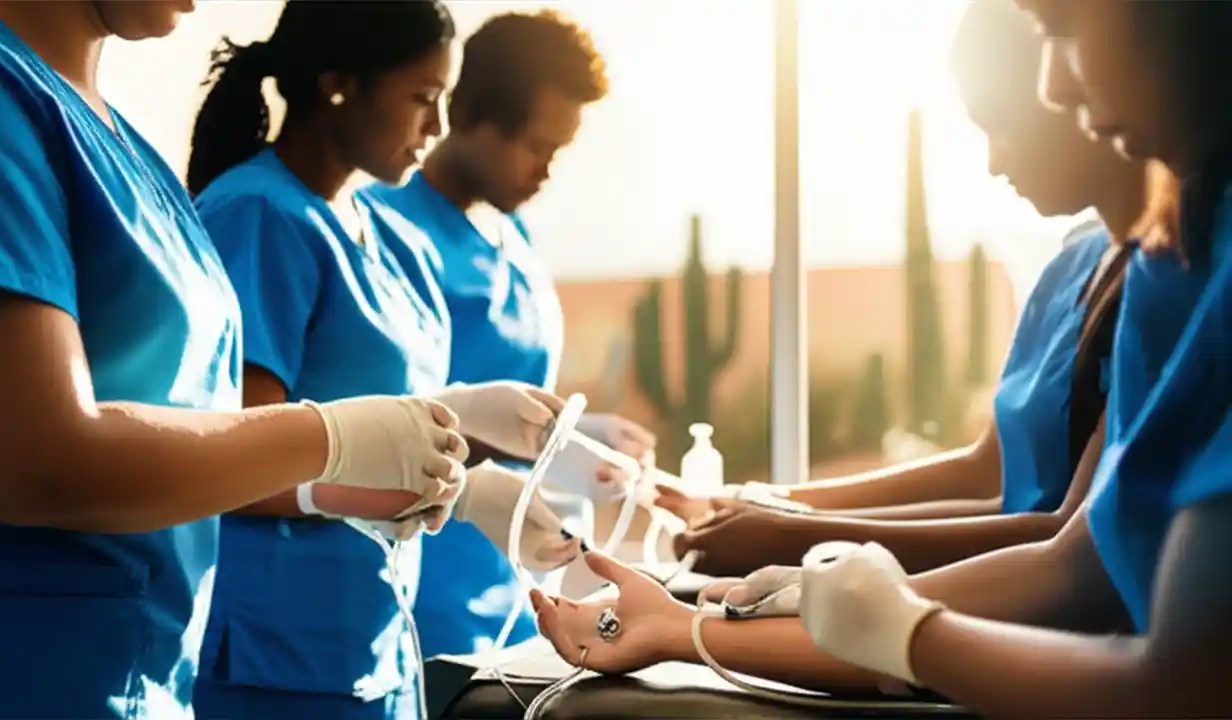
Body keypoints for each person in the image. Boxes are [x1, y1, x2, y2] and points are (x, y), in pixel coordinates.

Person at [531, 1, 1232, 716]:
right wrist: (720, 616)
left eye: (1061, 32)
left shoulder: (1191, 272)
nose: (1056, 85)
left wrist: (893, 621)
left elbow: (1178, 679)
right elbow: (1079, 562)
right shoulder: (1159, 265)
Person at [0, 0, 469, 718]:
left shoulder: (111, 137)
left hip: (147, 677)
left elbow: (194, 418)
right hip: (26, 675)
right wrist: (330, 441)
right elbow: (30, 458)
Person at [654, 0, 1145, 577]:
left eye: (1002, 121)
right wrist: (765, 502)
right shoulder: (1071, 264)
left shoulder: (1160, 283)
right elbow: (987, 471)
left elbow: (1067, 543)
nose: (991, 161)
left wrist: (794, 537)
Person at [185, 2, 580, 718]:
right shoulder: (260, 215)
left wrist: (471, 426)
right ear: (340, 86)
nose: (435, 128)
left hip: (376, 642)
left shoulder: (386, 237)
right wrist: (448, 493)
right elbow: (233, 451)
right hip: (277, 660)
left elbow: (394, 407)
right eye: (423, 100)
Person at [372, 10, 657, 657]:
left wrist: (583, 443)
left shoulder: (514, 238)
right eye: (537, 147)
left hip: (515, 597)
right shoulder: (384, 231)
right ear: (468, 113)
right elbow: (367, 423)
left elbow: (517, 407)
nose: (547, 171)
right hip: (423, 604)